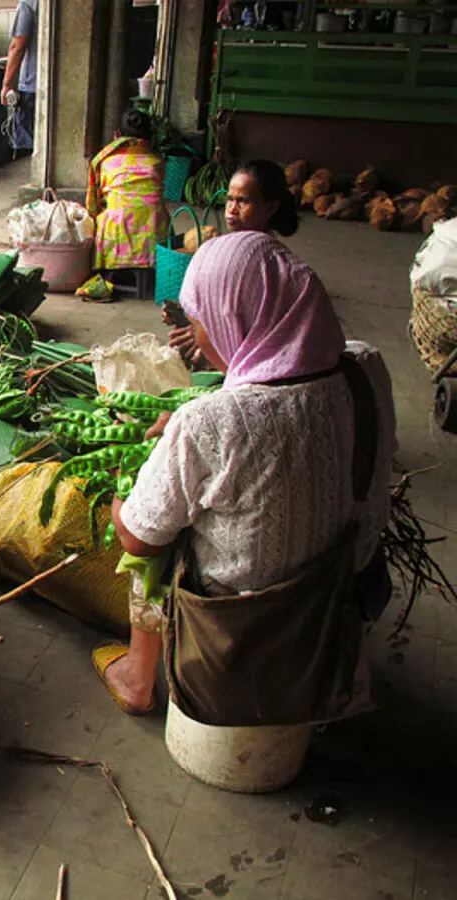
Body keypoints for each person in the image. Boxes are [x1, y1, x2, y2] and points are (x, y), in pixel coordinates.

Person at [93, 229, 396, 716]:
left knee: (149, 524)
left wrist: (117, 496)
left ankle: (137, 675)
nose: (202, 336)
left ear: (233, 318)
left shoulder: (213, 421)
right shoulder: (367, 367)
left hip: (240, 635)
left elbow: (138, 538)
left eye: (204, 321)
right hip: (348, 592)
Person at [167, 159, 299, 365]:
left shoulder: (270, 263)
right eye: (229, 199)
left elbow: (260, 329)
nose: (231, 209)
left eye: (243, 201)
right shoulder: (222, 251)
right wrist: (186, 316)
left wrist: (205, 331)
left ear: (271, 207)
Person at [86, 109, 169, 278]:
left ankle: (110, 263)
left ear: (117, 136)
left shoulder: (106, 162)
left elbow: (93, 205)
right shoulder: (158, 162)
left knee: (106, 214)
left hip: (116, 229)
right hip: (154, 227)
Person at [0, 0, 38, 152]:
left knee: (27, 148)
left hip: (32, 86)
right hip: (58, 84)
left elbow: (18, 45)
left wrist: (7, 85)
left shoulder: (28, 4)